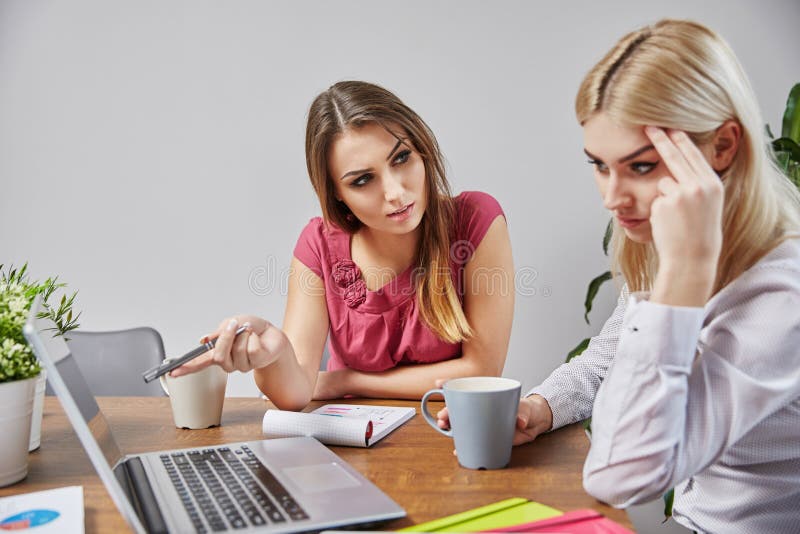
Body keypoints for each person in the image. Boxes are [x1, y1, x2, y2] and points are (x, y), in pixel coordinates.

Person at [437, 19, 800, 533]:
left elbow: (621, 477)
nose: (612, 197)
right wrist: (540, 407)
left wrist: (683, 278)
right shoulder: (669, 250)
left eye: (642, 167)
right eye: (600, 165)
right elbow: (603, 362)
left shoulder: (780, 296)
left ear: (722, 147)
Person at [173, 80, 514, 411]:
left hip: (447, 443)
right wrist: (273, 354)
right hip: (352, 448)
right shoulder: (319, 244)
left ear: (421, 147)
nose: (395, 192)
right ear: (336, 191)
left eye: (401, 158)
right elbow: (296, 394)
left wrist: (347, 381)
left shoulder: (476, 221)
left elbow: (481, 372)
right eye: (363, 180)